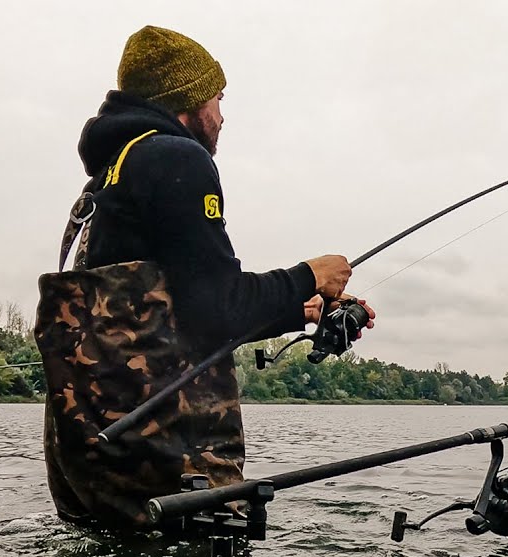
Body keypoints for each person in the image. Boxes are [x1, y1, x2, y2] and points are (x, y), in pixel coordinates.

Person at [34, 25, 374, 530]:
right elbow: (218, 310)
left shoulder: (107, 178)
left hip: (87, 449)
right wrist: (310, 276)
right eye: (217, 97)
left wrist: (289, 311)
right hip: (165, 452)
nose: (222, 114)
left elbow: (164, 320)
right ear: (186, 100)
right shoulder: (177, 157)